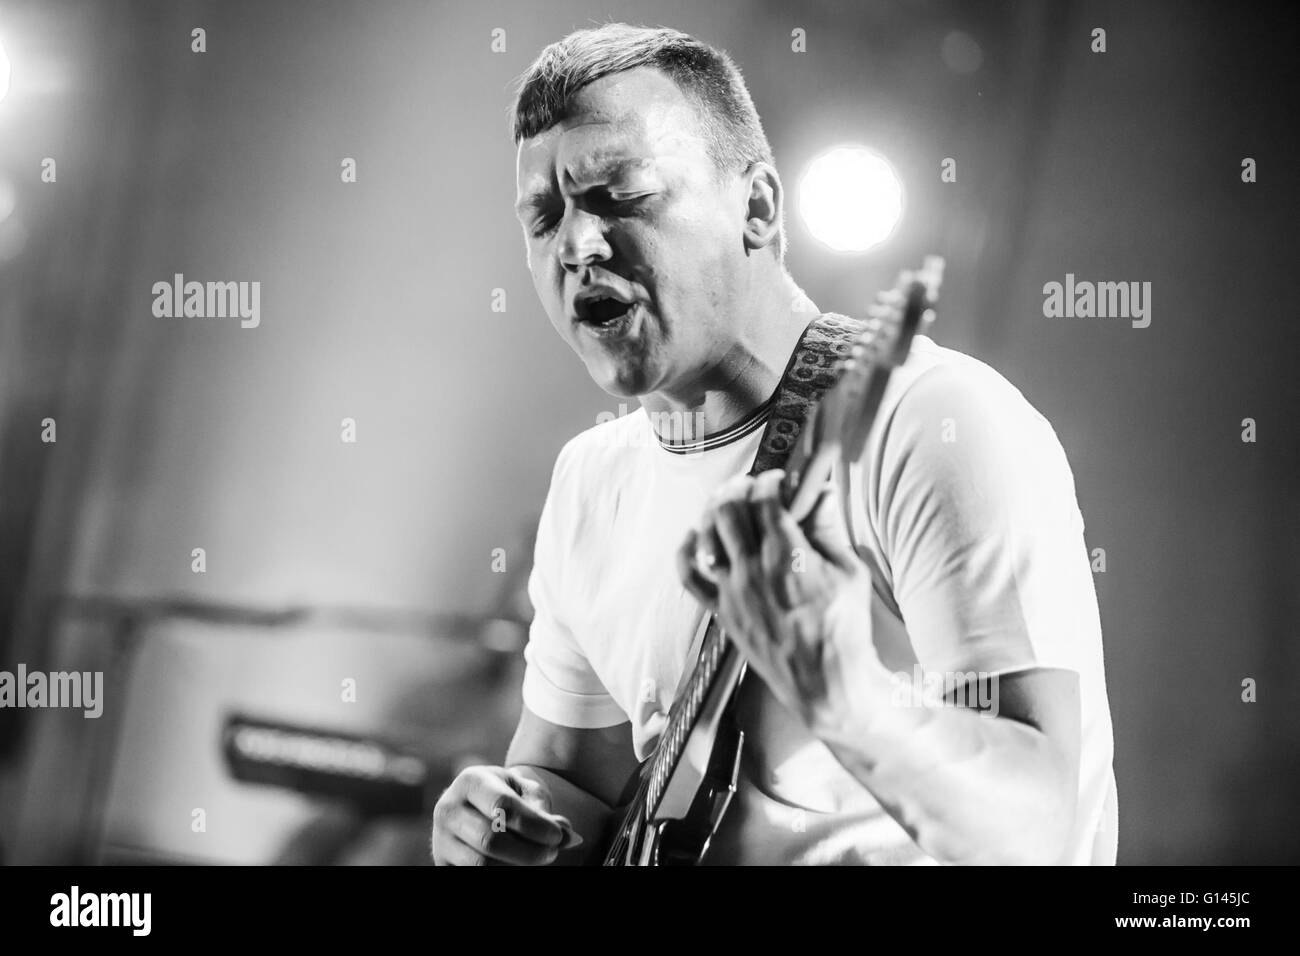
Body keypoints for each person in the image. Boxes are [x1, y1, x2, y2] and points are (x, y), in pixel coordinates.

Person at [431, 22, 1117, 865]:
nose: (575, 244)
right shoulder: (591, 480)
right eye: (544, 217)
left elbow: (1035, 830)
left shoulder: (933, 422)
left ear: (756, 206)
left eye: (621, 193)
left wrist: (848, 697)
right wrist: (507, 823)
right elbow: (577, 782)